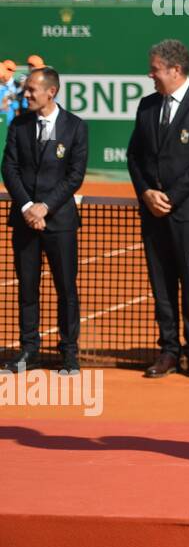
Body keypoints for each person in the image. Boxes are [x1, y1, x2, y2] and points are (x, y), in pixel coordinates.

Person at [127, 40, 189, 379]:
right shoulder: (147, 105)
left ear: (175, 70)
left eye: (154, 69)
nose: (150, 74)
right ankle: (168, 350)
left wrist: (169, 196)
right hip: (154, 215)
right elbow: (134, 156)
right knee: (161, 282)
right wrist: (147, 194)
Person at [1, 68, 89, 373]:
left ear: (51, 93)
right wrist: (27, 206)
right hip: (24, 221)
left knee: (66, 288)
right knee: (27, 288)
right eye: (26, 91)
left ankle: (69, 352)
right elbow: (9, 168)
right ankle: (29, 350)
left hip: (60, 221)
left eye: (31, 91)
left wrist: (45, 207)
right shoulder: (19, 125)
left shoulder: (76, 127)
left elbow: (74, 176)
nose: (25, 96)